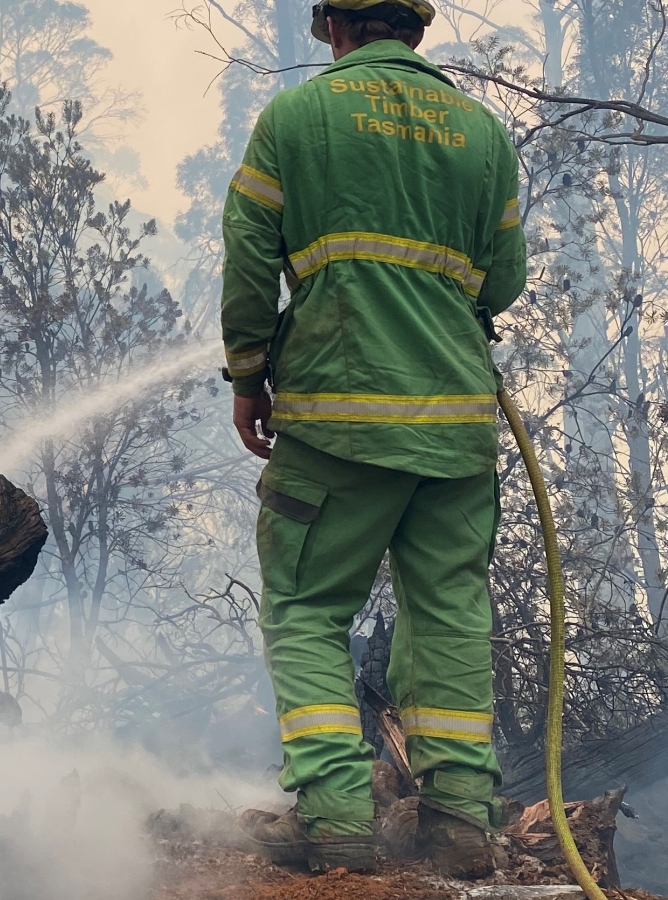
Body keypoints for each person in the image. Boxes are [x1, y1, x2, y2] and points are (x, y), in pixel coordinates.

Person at [219, 0, 527, 877]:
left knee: (308, 609)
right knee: (450, 614)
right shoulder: (481, 133)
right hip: (458, 426)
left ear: (336, 27)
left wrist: (248, 373)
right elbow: (501, 281)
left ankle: (336, 820)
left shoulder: (297, 117)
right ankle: (464, 818)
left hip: (334, 420)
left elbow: (247, 257)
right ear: (415, 29)